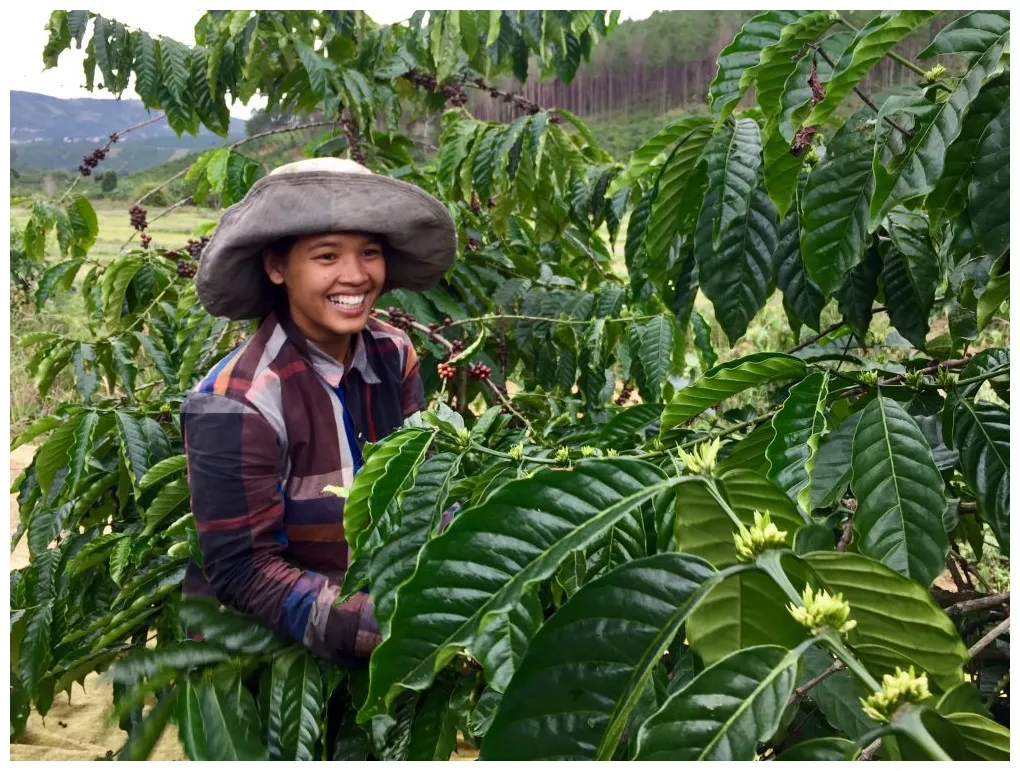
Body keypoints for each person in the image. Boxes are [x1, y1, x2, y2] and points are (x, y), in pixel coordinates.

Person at [180, 157, 457, 665]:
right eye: (327, 256)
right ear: (277, 266)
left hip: (373, 605)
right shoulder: (235, 401)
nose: (355, 275)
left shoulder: (393, 354)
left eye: (369, 252)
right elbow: (245, 572)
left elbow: (421, 487)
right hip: (266, 653)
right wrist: (398, 631)